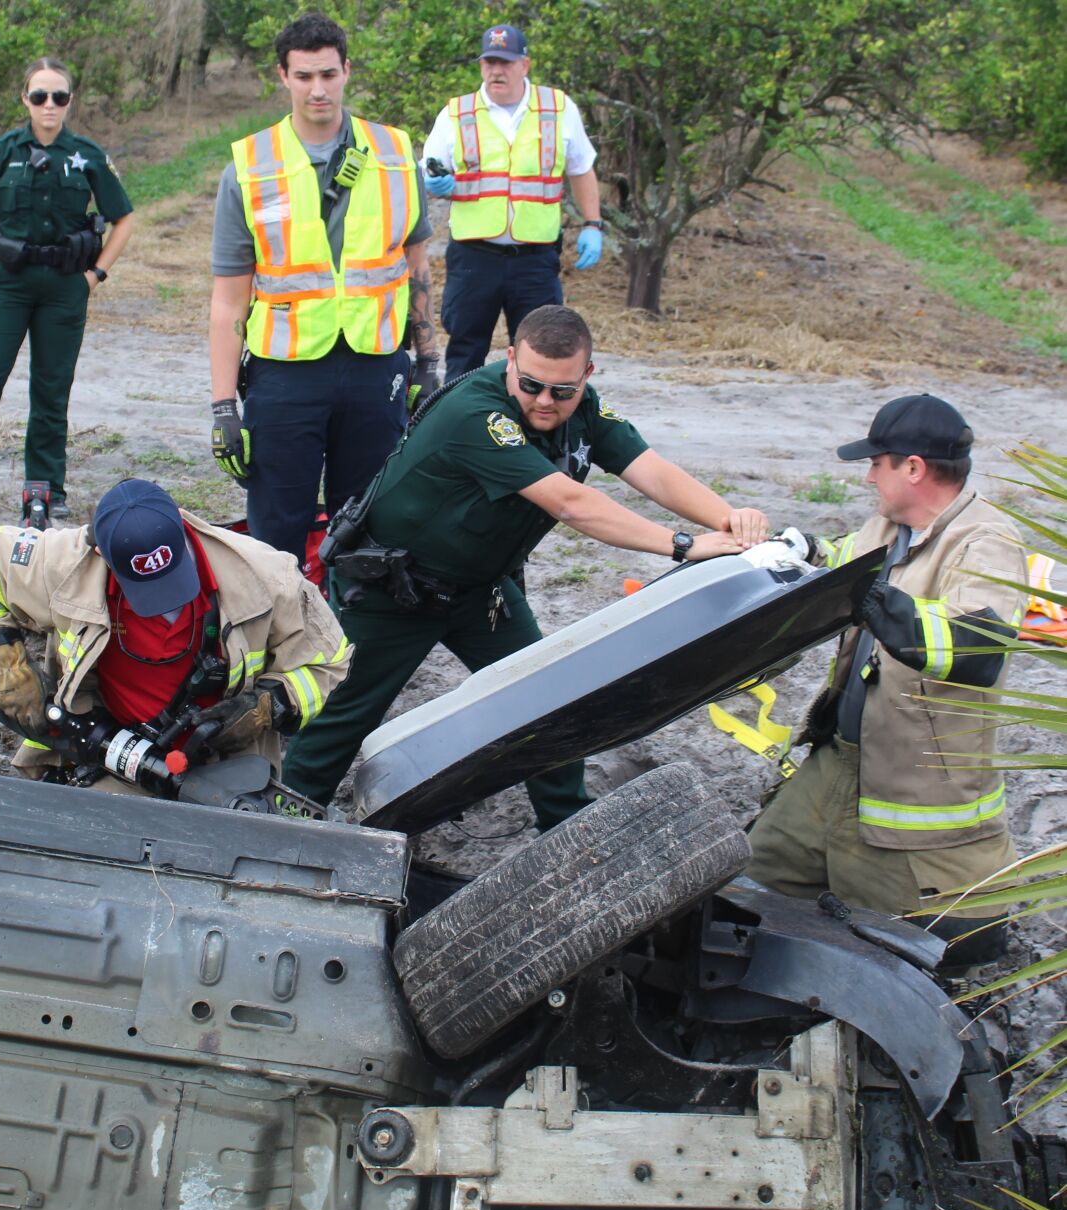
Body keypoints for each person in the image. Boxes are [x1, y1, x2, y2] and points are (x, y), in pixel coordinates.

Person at [280, 305, 768, 825]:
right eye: (531, 384)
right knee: (341, 720)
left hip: (480, 593)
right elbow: (569, 503)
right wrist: (685, 544)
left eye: (562, 390)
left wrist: (732, 519)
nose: (544, 401)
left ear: (587, 375)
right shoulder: (477, 413)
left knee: (550, 699)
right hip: (389, 591)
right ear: (509, 359)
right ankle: (281, 822)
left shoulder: (582, 407)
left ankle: (565, 822)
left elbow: (650, 469)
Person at [746, 396, 1026, 961]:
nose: (870, 475)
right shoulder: (890, 526)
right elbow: (844, 564)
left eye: (879, 462)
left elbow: (975, 646)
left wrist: (874, 598)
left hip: (916, 798)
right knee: (744, 886)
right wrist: (803, 555)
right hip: (838, 764)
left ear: (914, 468)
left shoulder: (985, 543)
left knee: (923, 953)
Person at [208, 13, 440, 566]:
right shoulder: (248, 166)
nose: (319, 89)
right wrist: (223, 407)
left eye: (329, 75)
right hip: (284, 373)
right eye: (305, 76)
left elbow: (418, 269)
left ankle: (353, 647)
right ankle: (276, 647)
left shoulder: (394, 153)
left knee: (367, 522)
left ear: (347, 72)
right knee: (276, 529)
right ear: (282, 76)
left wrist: (429, 363)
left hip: (375, 365)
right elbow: (227, 301)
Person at [0, 479, 352, 787]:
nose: (167, 605)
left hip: (227, 764)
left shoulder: (265, 576)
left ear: (185, 530)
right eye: (148, 593)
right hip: (105, 753)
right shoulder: (63, 564)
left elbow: (329, 660)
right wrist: (7, 662)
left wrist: (270, 704)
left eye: (173, 580)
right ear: (100, 553)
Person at [0, 57, 136, 524]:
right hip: (6, 285)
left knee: (51, 390)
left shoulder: (87, 155)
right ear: (25, 99)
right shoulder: (2, 151)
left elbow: (124, 218)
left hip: (64, 287)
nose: (49, 104)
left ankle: (46, 487)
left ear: (70, 101)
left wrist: (94, 275)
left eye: (58, 96)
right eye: (39, 95)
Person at [421, 24, 604, 382]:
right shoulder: (456, 114)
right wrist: (433, 182)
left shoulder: (558, 108)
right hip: (474, 259)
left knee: (544, 352)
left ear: (525, 64)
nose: (496, 71)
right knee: (465, 352)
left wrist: (593, 225)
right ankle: (463, 430)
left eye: (505, 62)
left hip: (535, 259)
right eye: (489, 62)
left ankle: (536, 432)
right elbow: (427, 170)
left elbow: (582, 169)